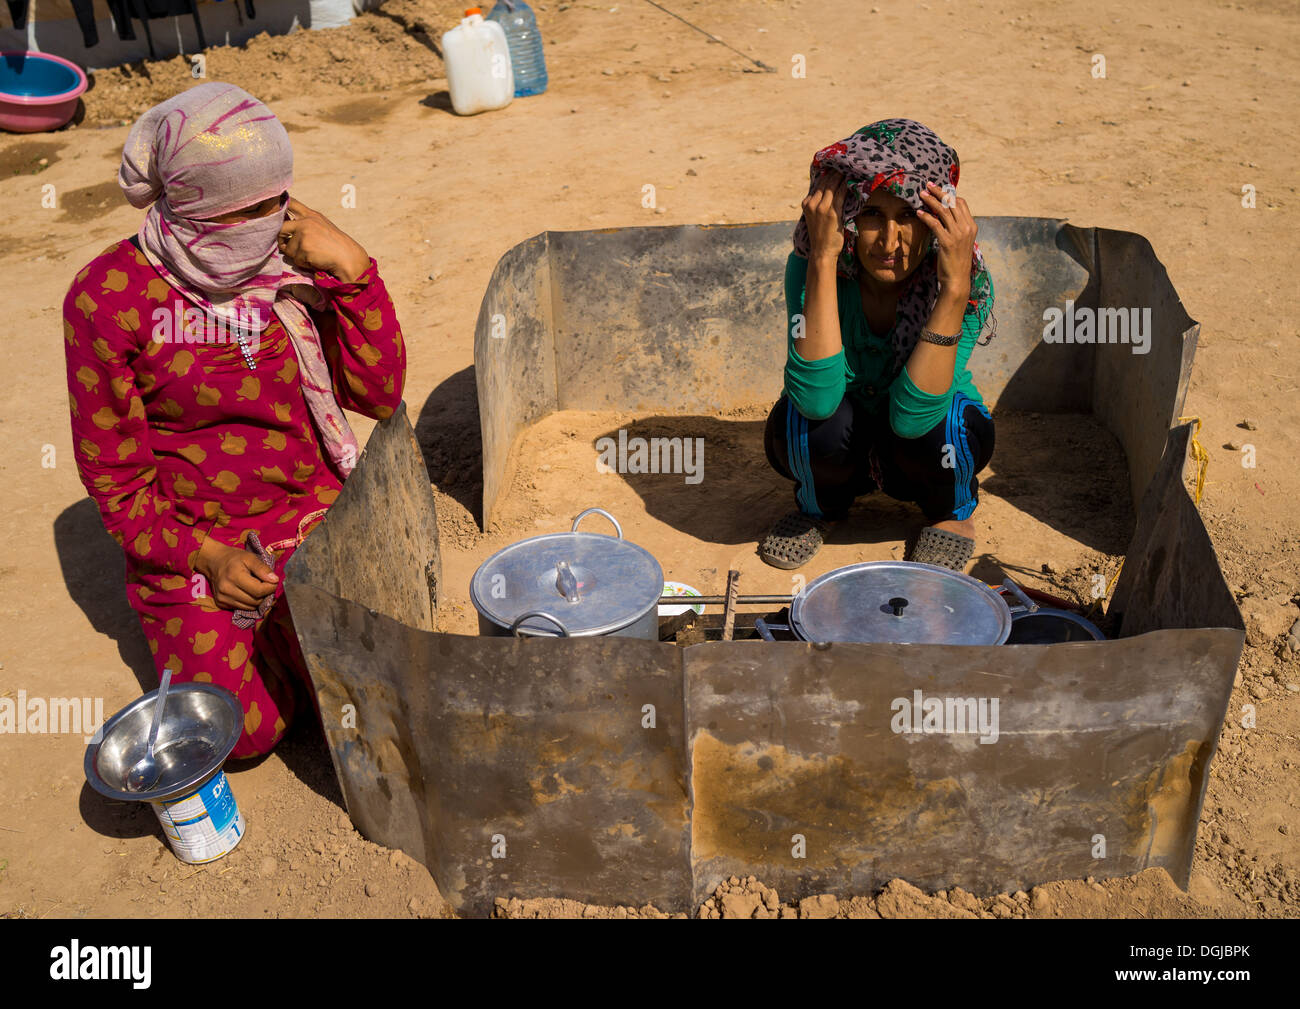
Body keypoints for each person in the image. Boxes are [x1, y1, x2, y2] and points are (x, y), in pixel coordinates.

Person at [63, 82, 406, 758]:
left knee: (379, 679)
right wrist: (206, 557)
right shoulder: (109, 299)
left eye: (278, 200)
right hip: (198, 536)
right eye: (245, 210)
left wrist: (355, 272)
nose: (271, 222)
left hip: (313, 515)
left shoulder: (297, 257)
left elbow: (378, 393)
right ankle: (273, 643)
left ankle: (292, 639)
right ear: (189, 207)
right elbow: (119, 481)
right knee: (237, 732)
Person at [760, 118, 995, 572]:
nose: (891, 243)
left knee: (944, 430)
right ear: (844, 217)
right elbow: (816, 396)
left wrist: (951, 292)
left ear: (936, 222)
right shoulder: (813, 266)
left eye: (909, 216)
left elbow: (912, 417)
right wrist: (824, 258)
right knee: (804, 420)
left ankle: (951, 513)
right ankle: (820, 504)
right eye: (872, 216)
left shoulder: (964, 283)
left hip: (918, 438)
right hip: (848, 436)